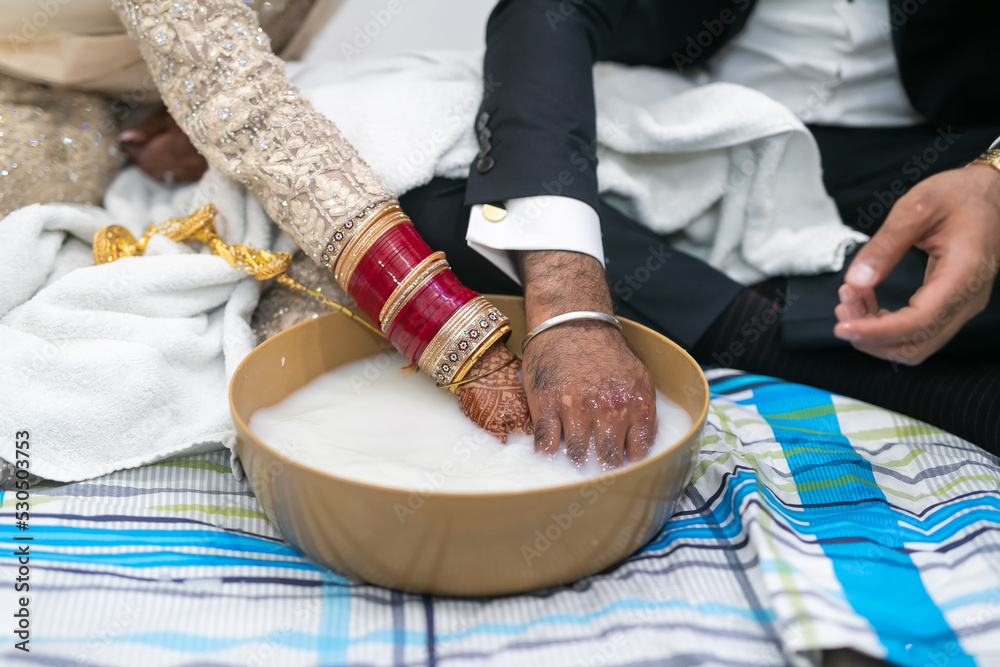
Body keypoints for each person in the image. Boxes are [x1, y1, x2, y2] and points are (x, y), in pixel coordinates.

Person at [388, 0, 1000, 452]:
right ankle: (798, 346)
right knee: (443, 200)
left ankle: (703, 313)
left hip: (944, 157)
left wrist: (991, 180)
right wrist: (571, 306)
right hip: (708, 137)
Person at [0, 1, 547, 453]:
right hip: (38, 92)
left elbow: (240, 65)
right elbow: (250, 110)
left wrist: (194, 103)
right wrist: (464, 347)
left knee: (318, 338)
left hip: (209, 84)